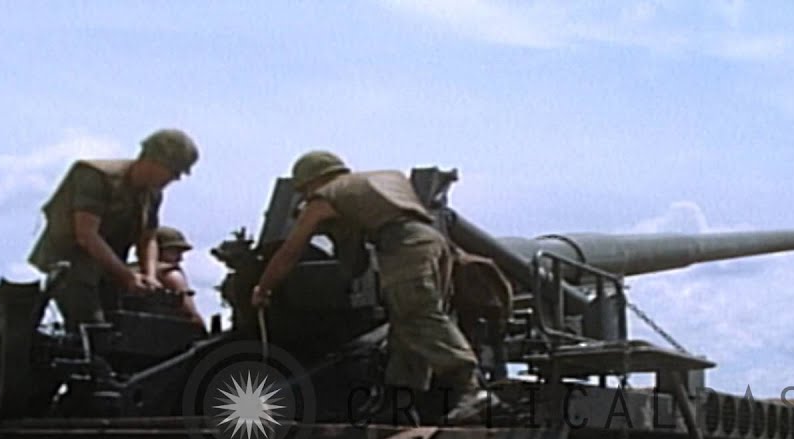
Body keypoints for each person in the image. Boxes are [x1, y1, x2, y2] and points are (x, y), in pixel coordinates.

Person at [250, 151, 490, 422]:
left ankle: (471, 389)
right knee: (405, 329)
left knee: (418, 317)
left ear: (311, 182)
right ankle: (400, 407)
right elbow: (356, 260)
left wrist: (264, 287)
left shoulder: (324, 197)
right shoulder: (376, 183)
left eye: (305, 191)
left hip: (405, 247)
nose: (306, 198)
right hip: (434, 244)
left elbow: (290, 252)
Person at [27, 128, 200, 329]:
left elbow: (148, 238)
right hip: (71, 263)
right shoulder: (96, 176)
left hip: (109, 268)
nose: (176, 178)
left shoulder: (151, 195)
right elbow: (86, 235)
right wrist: (127, 277)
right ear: (154, 160)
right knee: (93, 326)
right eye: (174, 170)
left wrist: (150, 276)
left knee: (123, 326)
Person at [128, 226, 205, 328]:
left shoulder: (126, 272)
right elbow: (190, 314)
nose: (180, 258)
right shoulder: (171, 275)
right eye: (175, 252)